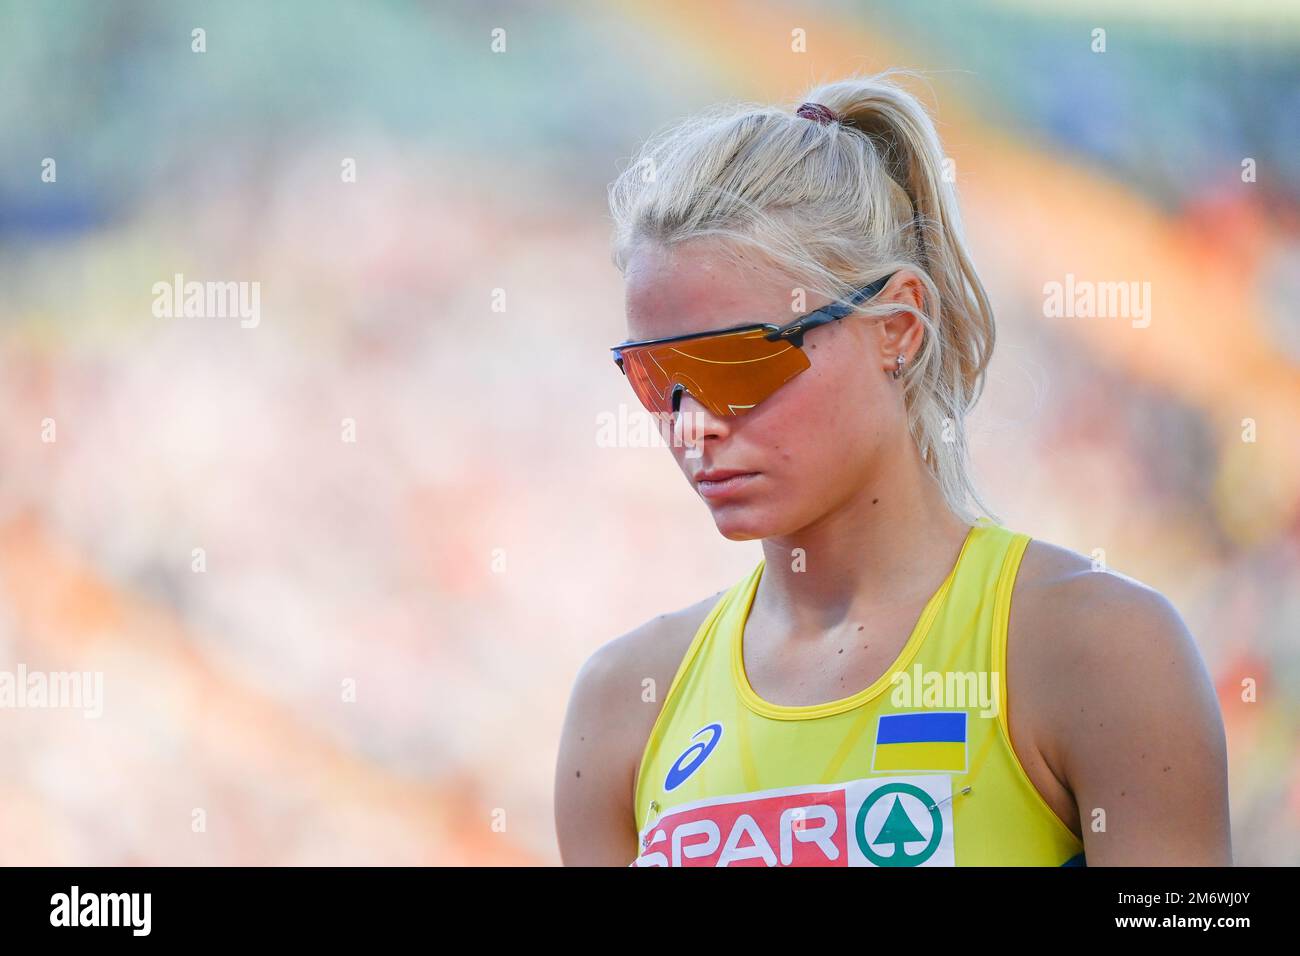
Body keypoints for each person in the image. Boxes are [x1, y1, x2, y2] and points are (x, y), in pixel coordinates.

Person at [555, 72, 1231, 867]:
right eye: (651, 378)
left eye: (738, 365)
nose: (691, 425)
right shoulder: (623, 702)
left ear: (898, 326)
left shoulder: (1097, 648)